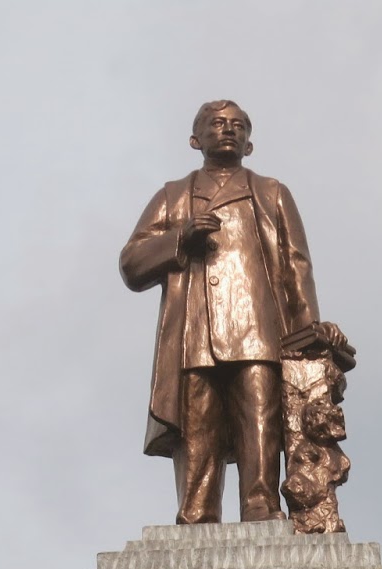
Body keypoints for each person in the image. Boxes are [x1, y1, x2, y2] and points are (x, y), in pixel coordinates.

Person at [120, 100, 325, 524]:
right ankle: (196, 513)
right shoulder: (173, 196)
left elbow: (296, 267)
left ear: (250, 144)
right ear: (196, 139)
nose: (227, 130)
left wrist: (307, 340)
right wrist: (180, 239)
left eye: (238, 125)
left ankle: (261, 505)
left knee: (261, 421)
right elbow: (132, 262)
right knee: (197, 427)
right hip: (194, 332)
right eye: (216, 124)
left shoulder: (270, 192)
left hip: (258, 332)